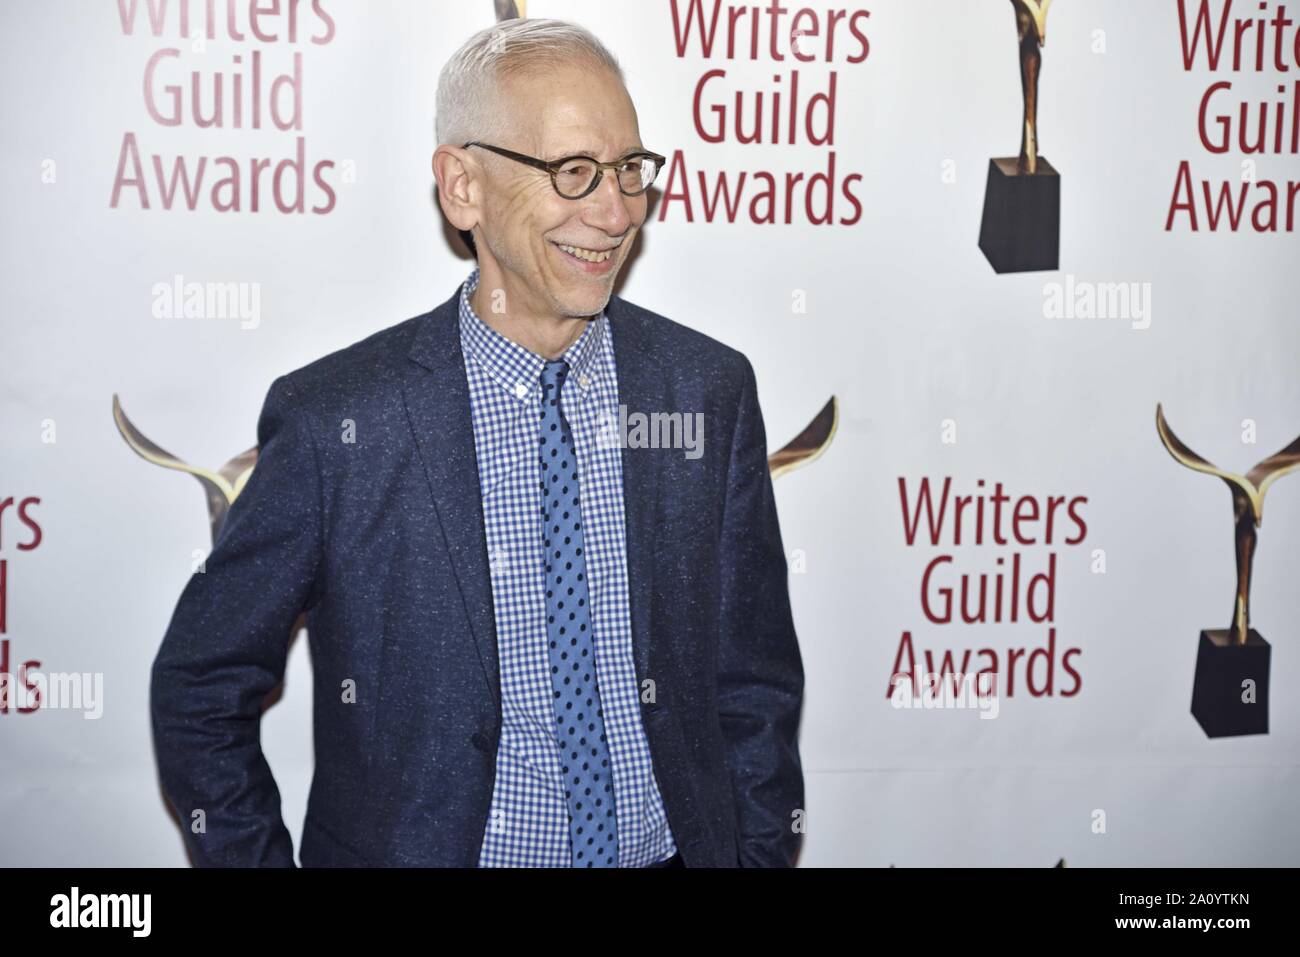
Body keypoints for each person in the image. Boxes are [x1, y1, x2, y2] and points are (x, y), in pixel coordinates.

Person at [150, 17, 805, 868]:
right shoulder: (337, 421)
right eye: (573, 172)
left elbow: (753, 684)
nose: (615, 212)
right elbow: (201, 686)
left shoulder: (707, 392)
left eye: (630, 169)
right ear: (463, 187)